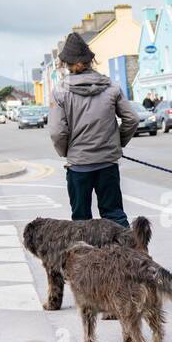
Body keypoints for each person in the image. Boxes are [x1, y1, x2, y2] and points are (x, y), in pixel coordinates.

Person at [48, 32, 138, 226]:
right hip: (107, 163)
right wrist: (116, 143)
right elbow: (132, 119)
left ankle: (86, 257)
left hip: (79, 166)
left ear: (66, 63)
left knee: (81, 222)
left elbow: (57, 131)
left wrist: (68, 152)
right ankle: (127, 254)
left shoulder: (60, 91)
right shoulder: (112, 86)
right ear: (90, 60)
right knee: (114, 215)